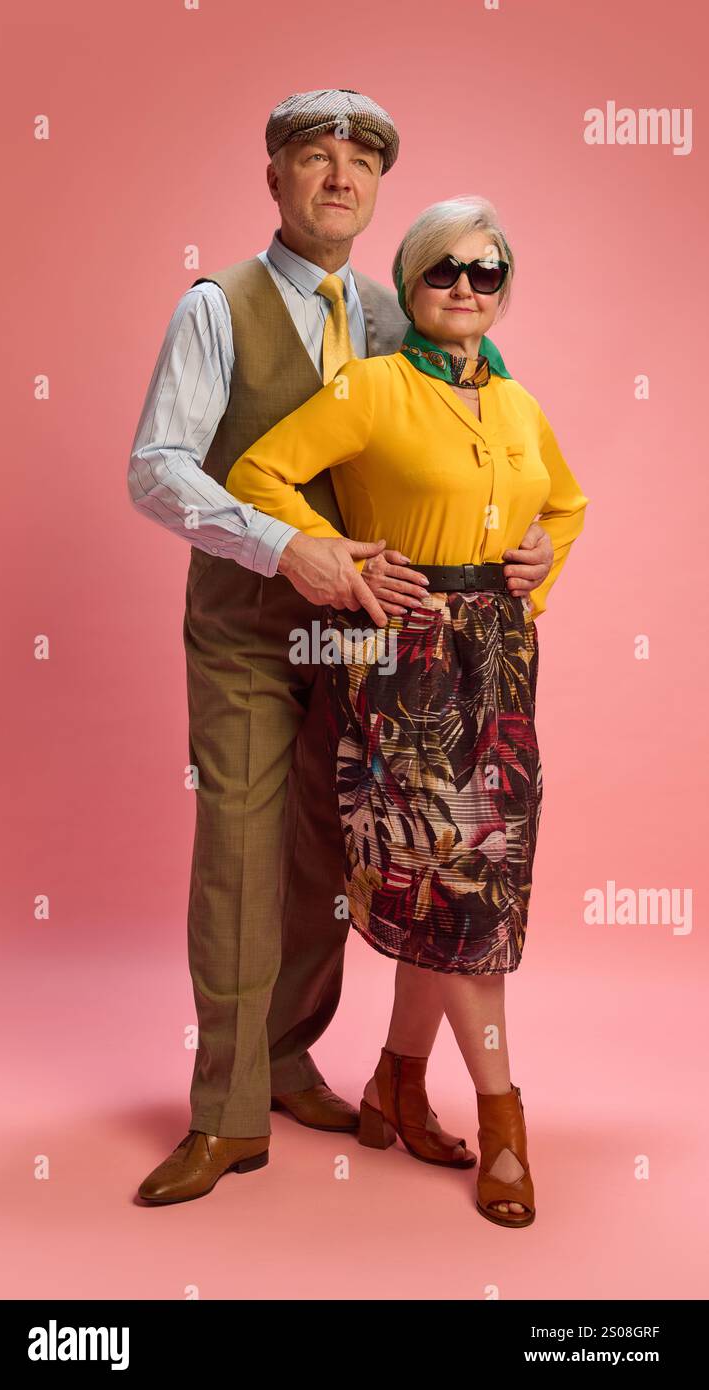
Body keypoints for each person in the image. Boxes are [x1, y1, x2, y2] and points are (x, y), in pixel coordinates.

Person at [129, 89, 554, 1206]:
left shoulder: (395, 311)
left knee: (331, 856)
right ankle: (225, 1115)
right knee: (239, 848)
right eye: (311, 157)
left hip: (373, 647)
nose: (335, 177)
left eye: (358, 163)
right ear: (272, 178)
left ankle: (286, 1054)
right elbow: (159, 468)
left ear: (376, 192)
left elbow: (463, 454)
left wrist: (520, 549)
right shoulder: (215, 308)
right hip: (249, 627)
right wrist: (288, 550)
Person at [226, 195, 589, 1227]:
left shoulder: (516, 404)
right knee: (456, 887)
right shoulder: (372, 388)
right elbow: (257, 474)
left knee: (467, 889)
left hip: (502, 660)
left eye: (487, 272)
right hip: (402, 660)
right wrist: (340, 564)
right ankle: (502, 1118)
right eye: (443, 271)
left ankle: (393, 1077)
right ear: (411, 281)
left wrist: (541, 560)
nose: (466, 288)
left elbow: (565, 502)